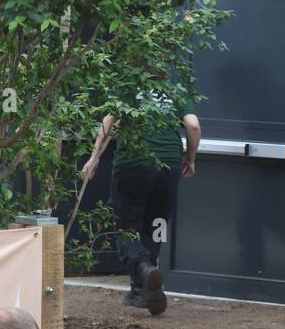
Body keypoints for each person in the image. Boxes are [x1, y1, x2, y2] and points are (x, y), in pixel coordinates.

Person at [82, 76, 200, 316]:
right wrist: (190, 159)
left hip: (133, 164)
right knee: (156, 225)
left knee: (126, 225)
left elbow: (108, 122)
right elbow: (193, 125)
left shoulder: (127, 82)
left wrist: (94, 158)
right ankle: (141, 290)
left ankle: (145, 268)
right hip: (169, 164)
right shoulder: (176, 87)